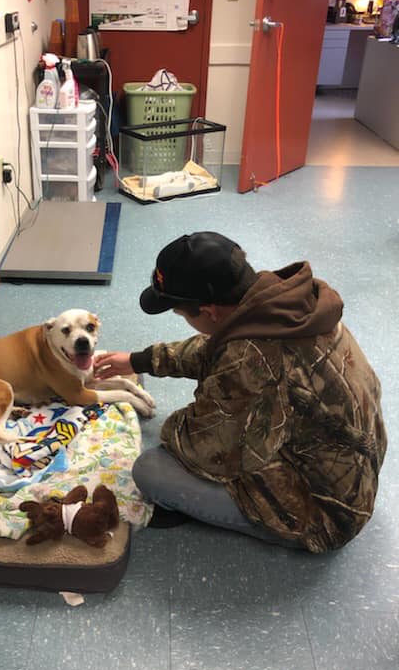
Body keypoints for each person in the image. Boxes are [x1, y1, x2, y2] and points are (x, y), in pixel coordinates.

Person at [94, 232, 386, 552]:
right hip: (351, 469)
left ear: (210, 311)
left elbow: (203, 446)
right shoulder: (279, 302)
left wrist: (182, 420)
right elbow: (215, 347)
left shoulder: (251, 360)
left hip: (327, 513)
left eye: (181, 312)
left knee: (152, 471)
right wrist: (141, 361)